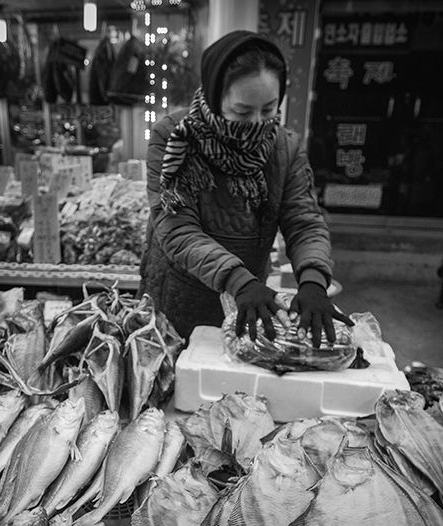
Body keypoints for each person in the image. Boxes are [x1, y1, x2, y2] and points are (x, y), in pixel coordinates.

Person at [140, 30, 348, 346]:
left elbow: (304, 223)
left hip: (252, 298)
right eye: (241, 111)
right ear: (213, 96)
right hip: (180, 296)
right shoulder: (174, 138)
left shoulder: (284, 147)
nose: (256, 123)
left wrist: (314, 281)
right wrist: (238, 281)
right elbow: (177, 230)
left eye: (268, 110)